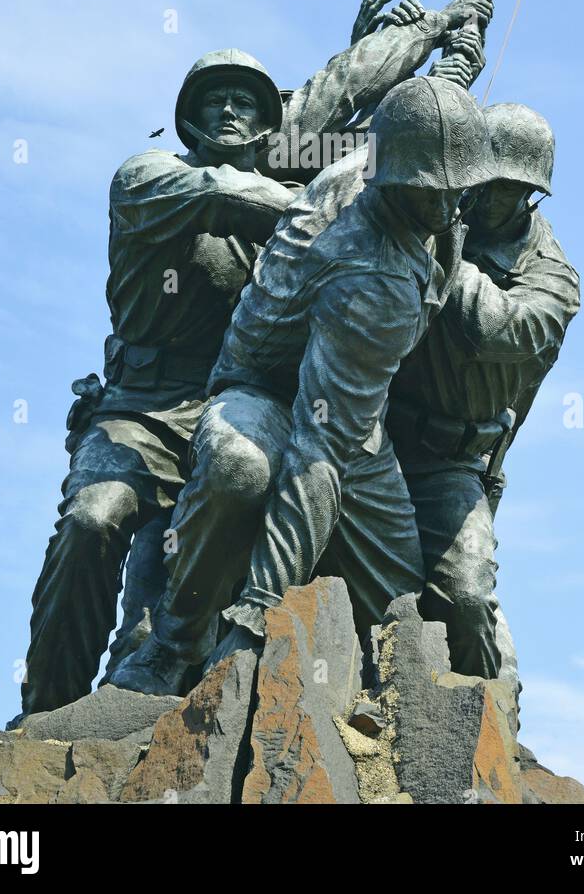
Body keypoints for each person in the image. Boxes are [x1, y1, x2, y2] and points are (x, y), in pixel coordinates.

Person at [13, 0, 490, 720]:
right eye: (212, 103)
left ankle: (195, 677)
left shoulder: (291, 163)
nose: (229, 113)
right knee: (94, 519)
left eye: (245, 103)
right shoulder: (150, 178)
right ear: (187, 119)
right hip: (143, 414)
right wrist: (341, 196)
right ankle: (45, 713)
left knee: (185, 576)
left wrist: (434, 38)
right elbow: (251, 190)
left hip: (241, 402)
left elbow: (349, 99)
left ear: (269, 119)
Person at [109, 75, 494, 695]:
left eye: (459, 191)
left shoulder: (401, 162)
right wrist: (256, 618)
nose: (447, 209)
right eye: (431, 194)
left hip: (356, 413)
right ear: (393, 179)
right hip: (266, 392)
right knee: (243, 468)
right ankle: (175, 641)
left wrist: (444, 68)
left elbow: (420, 124)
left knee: (399, 606)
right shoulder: (371, 277)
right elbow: (317, 455)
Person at [385, 102, 580, 685]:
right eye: (480, 178)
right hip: (372, 432)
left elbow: (500, 329)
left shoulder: (552, 279)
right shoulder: (440, 208)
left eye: (503, 188)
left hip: (451, 462)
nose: (483, 196)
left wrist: (447, 245)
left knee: (467, 601)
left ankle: (488, 720)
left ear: (531, 195)